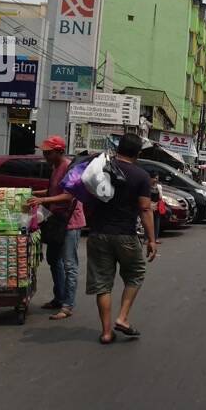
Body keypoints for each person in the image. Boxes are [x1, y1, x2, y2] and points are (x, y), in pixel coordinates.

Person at [84, 133, 158, 344]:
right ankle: (122, 317)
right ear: (138, 153)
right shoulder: (141, 176)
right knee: (136, 272)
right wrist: (152, 240)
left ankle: (106, 332)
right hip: (125, 234)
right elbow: (145, 209)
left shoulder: (102, 168)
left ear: (118, 148)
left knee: (103, 284)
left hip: (97, 233)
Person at [27, 136, 86, 321]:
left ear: (59, 151)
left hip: (70, 222)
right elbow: (54, 192)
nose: (45, 155)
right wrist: (31, 193)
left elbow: (68, 196)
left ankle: (67, 305)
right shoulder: (55, 168)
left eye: (48, 152)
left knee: (70, 264)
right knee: (53, 259)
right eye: (44, 152)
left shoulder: (70, 169)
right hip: (57, 221)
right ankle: (59, 297)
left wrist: (42, 200)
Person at [150, 174, 164, 241]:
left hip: (157, 206)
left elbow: (160, 197)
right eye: (155, 178)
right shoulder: (147, 186)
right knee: (149, 223)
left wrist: (157, 204)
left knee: (157, 223)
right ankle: (146, 238)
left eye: (157, 178)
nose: (156, 180)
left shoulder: (159, 187)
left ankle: (156, 238)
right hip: (149, 206)